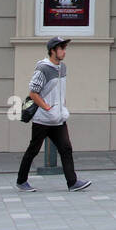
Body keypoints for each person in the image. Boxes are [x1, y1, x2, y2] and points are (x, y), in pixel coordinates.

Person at [15, 36, 91, 192]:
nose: (64, 52)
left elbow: (60, 92)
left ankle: (72, 182)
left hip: (58, 119)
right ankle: (21, 181)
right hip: (43, 119)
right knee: (33, 150)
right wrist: (47, 107)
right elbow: (33, 93)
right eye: (61, 49)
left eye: (64, 48)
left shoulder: (63, 68)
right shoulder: (43, 69)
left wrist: (61, 108)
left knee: (66, 148)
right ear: (52, 50)